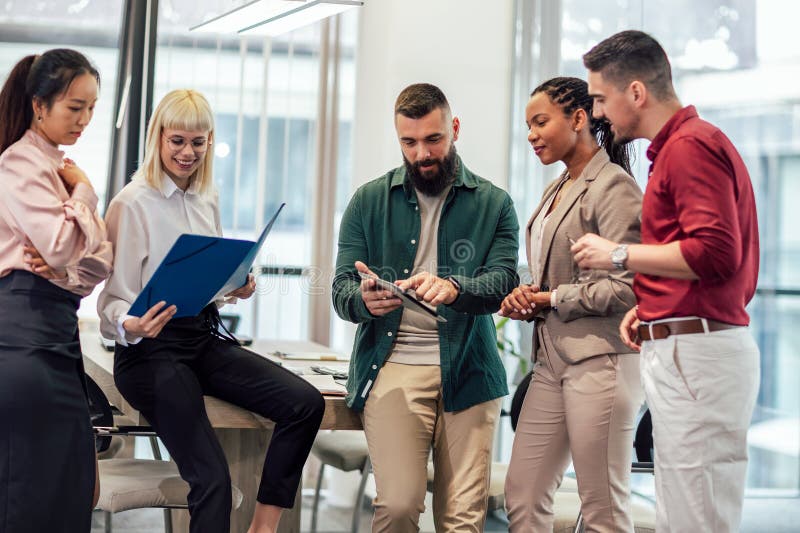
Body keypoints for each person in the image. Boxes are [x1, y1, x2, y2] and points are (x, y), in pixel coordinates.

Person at [97, 89, 325, 533]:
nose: (188, 152)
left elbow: (202, 284)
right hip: (150, 353)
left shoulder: (207, 198)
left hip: (200, 339)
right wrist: (132, 323)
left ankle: (263, 526)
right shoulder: (131, 202)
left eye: (198, 142)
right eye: (177, 141)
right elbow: (110, 302)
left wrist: (233, 287)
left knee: (305, 404)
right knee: (213, 480)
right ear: (158, 138)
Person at [573, 30, 760, 532]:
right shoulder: (685, 146)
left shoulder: (690, 147)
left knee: (694, 517)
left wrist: (616, 254)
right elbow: (699, 255)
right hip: (690, 347)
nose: (597, 114)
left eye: (600, 99)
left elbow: (716, 253)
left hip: (697, 355)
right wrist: (653, 305)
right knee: (684, 514)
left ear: (636, 92)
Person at [332, 83, 519, 532]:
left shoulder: (494, 203)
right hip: (393, 368)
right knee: (397, 506)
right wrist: (363, 300)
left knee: (461, 520)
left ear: (455, 129)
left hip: (470, 370)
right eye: (409, 142)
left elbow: (503, 281)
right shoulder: (368, 201)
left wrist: (454, 288)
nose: (422, 154)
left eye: (433, 139)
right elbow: (340, 288)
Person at [499, 76, 644, 532]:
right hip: (552, 359)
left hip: (600, 361)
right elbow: (555, 272)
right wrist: (529, 295)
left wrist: (552, 297)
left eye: (540, 122)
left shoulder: (613, 186)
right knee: (523, 493)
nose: (531, 135)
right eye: (528, 125)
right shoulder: (559, 185)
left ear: (579, 118)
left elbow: (628, 285)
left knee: (602, 509)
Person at [0, 49, 113, 532]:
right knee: (31, 498)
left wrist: (68, 266)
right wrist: (84, 192)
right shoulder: (20, 164)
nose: (84, 120)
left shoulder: (57, 167)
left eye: (91, 108)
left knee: (66, 491)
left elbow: (100, 263)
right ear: (39, 105)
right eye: (75, 107)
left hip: (57, 339)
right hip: (24, 342)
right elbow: (64, 246)